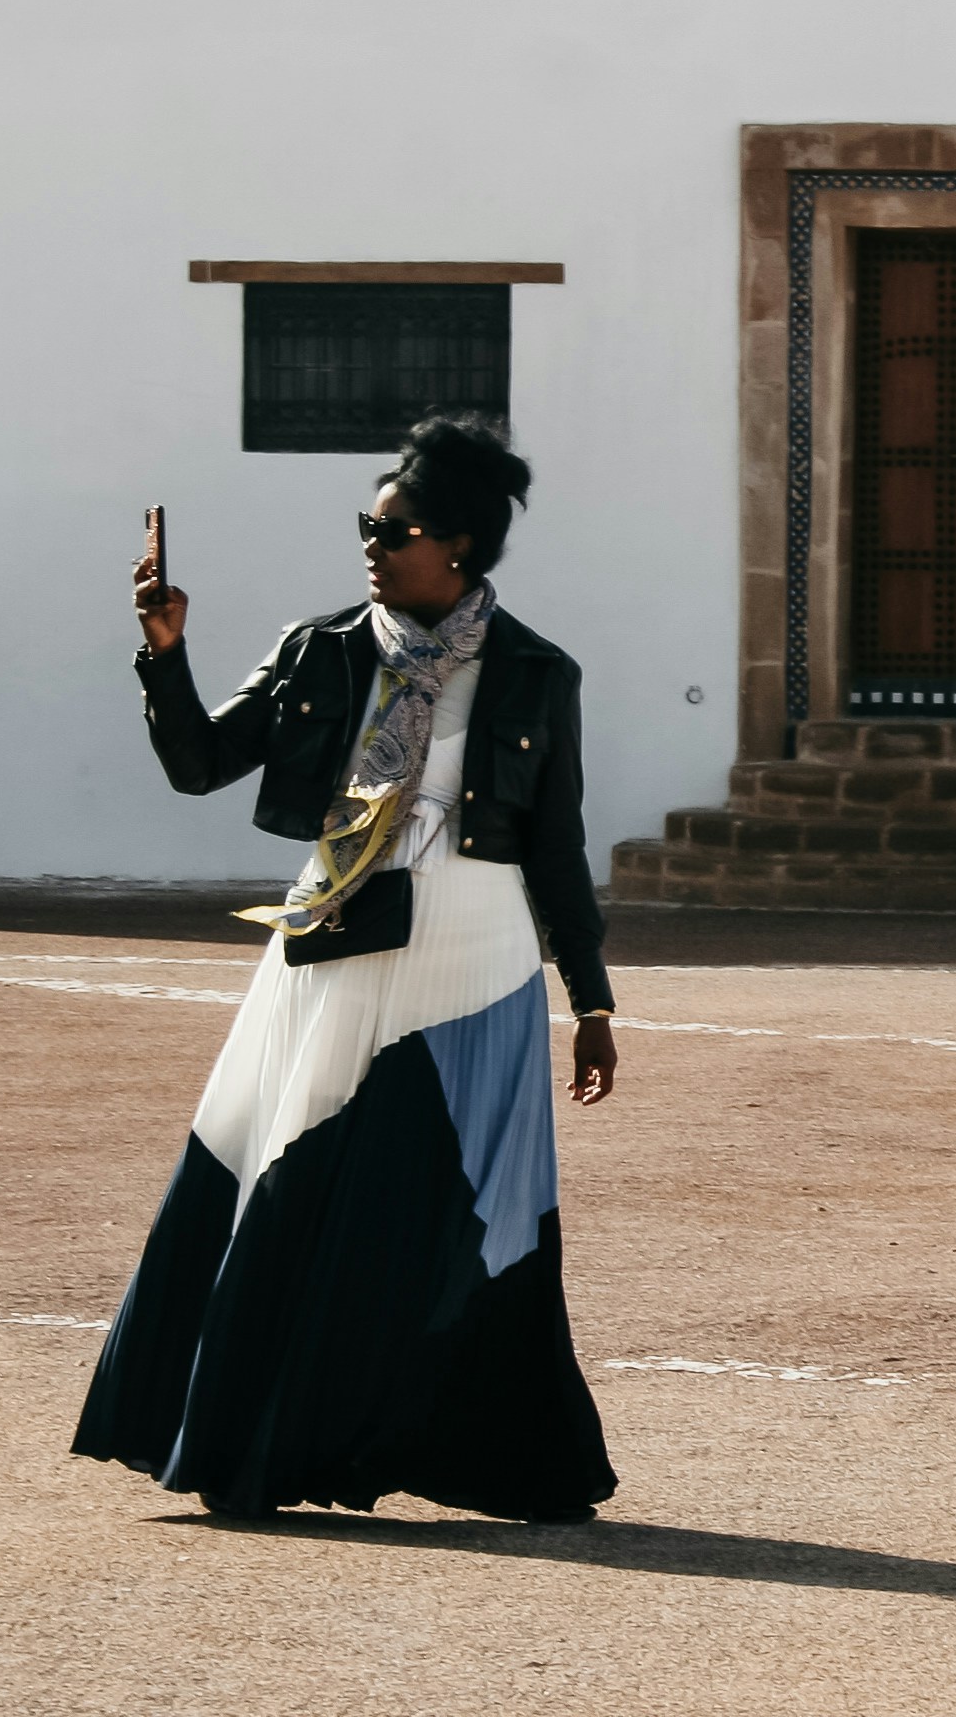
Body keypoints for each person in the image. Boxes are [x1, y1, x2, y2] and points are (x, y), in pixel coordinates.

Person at [72, 415, 621, 1522]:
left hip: (477, 960)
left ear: (459, 545)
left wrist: (592, 998)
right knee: (286, 1185)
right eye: (366, 530)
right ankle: (254, 1448)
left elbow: (555, 847)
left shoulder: (534, 674)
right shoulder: (321, 651)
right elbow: (199, 767)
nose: (372, 549)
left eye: (395, 532)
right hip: (332, 943)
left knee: (471, 1214)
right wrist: (164, 655)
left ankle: (502, 1458)